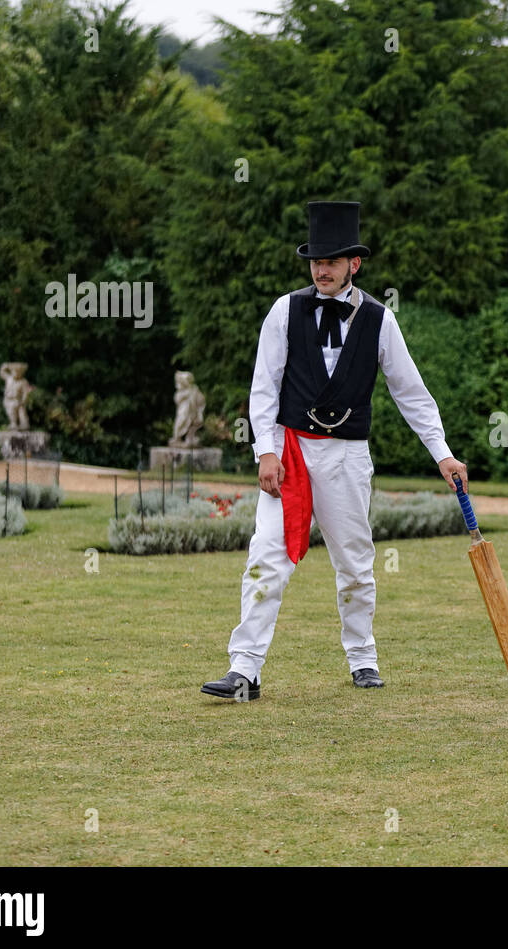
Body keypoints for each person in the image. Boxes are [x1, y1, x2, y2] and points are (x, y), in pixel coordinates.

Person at [202, 201, 468, 700]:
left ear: (355, 264)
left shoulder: (379, 320)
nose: (322, 269)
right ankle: (245, 669)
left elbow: (410, 391)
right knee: (266, 558)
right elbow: (264, 386)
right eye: (315, 260)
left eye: (333, 260)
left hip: (347, 457)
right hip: (292, 453)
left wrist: (443, 453)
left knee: (355, 562)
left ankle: (363, 658)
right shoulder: (285, 309)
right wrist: (265, 449)